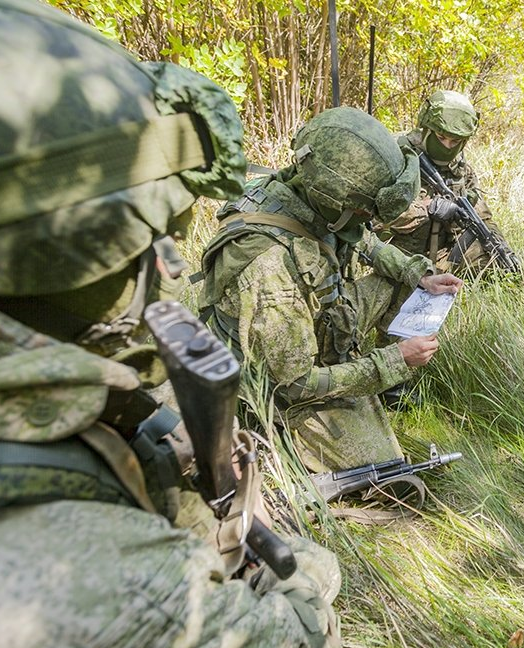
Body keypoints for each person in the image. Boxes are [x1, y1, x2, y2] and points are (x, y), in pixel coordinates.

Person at [0, 1, 343, 648]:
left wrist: (157, 460)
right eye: (151, 239)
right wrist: (294, 554)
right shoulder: (85, 577)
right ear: (60, 256)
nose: (168, 266)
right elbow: (294, 636)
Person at [196, 106, 462, 507]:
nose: (367, 219)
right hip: (272, 385)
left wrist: (416, 273)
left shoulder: (298, 194)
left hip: (314, 324)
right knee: (393, 478)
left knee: (400, 285)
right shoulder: (271, 268)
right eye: (363, 210)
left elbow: (361, 240)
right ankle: (285, 441)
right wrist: (393, 362)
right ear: (337, 200)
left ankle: (381, 390)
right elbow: (296, 384)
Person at [374, 90, 511, 271]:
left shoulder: (459, 168)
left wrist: (500, 247)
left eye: (455, 141)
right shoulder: (397, 158)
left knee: (494, 267)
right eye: (441, 137)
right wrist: (428, 208)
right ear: (427, 129)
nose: (447, 146)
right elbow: (374, 218)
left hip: (443, 256)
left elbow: (482, 217)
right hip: (399, 257)